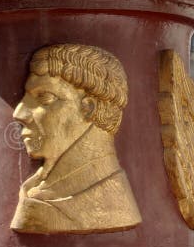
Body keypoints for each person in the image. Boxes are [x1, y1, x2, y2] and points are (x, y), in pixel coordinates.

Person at [10, 44, 142, 234]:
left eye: (44, 97)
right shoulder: (36, 188)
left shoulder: (109, 201)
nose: (19, 113)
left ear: (88, 108)